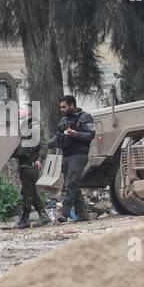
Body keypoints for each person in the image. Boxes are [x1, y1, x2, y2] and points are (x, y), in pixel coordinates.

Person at [47, 94, 96, 223]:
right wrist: (44, 144)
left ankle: (64, 214)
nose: (61, 109)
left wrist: (76, 134)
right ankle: (83, 215)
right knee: (73, 186)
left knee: (71, 184)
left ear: (72, 105)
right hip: (66, 156)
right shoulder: (64, 120)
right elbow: (57, 138)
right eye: (61, 107)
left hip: (79, 155)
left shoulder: (84, 118)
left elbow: (90, 135)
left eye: (64, 107)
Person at [11, 104, 49, 229]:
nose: (20, 111)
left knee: (27, 192)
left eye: (22, 109)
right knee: (31, 191)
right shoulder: (22, 127)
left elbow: (43, 144)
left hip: (30, 164)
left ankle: (25, 218)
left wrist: (40, 159)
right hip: (24, 164)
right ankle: (43, 215)